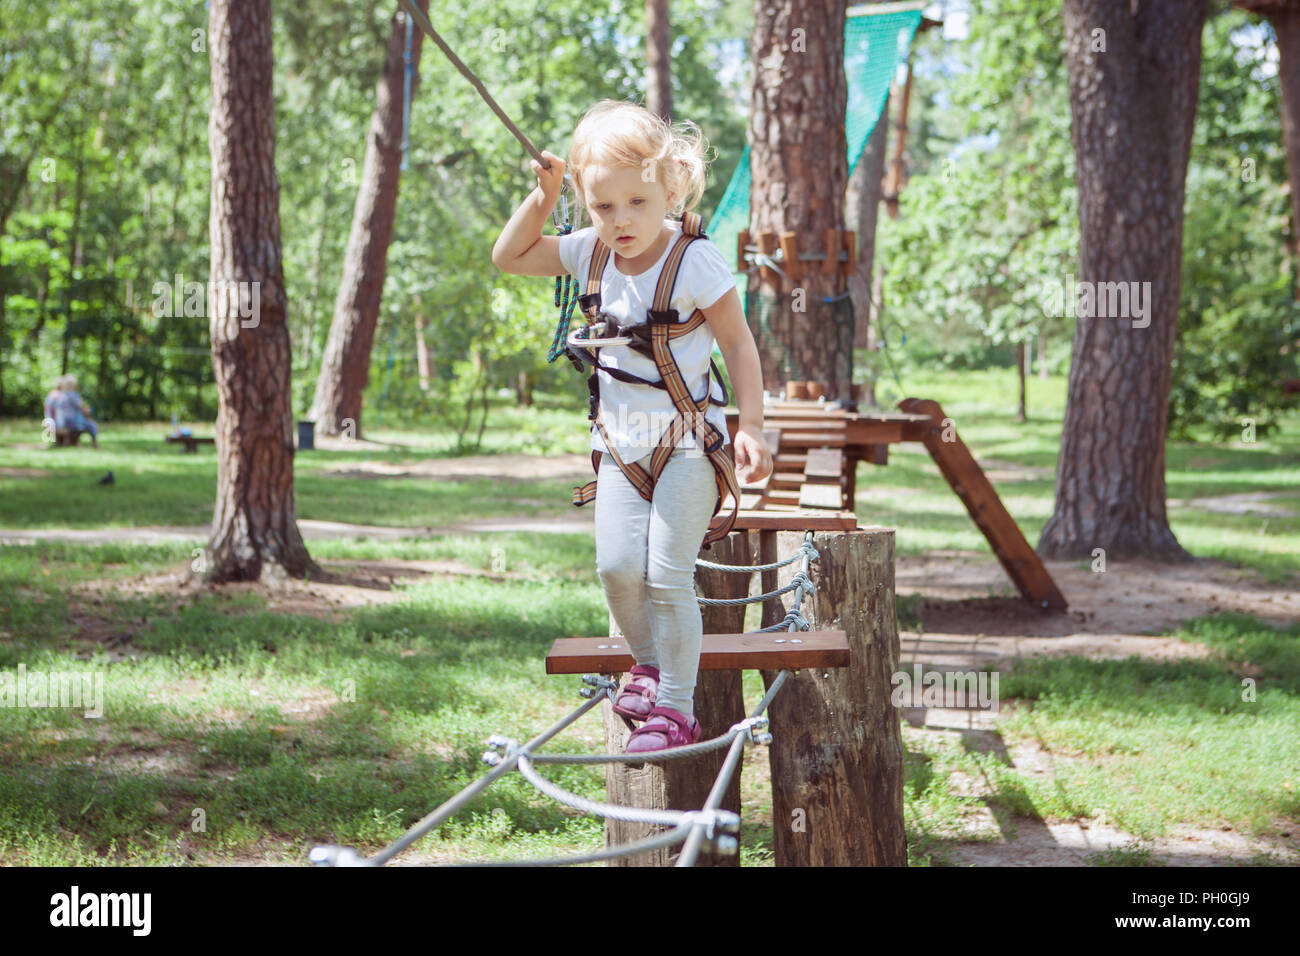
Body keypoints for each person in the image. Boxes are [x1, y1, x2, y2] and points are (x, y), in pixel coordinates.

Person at [493, 100, 773, 753]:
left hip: (687, 445)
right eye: (602, 206)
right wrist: (545, 195)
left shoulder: (694, 261)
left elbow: (739, 345)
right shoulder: (590, 252)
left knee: (666, 572)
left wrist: (752, 425)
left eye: (636, 203)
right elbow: (510, 256)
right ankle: (647, 664)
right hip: (619, 449)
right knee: (618, 567)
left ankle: (676, 708)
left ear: (670, 188)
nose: (620, 221)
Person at [51, 375, 99, 449]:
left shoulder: (62, 395)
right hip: (72, 422)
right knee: (92, 425)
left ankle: (73, 442)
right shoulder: (73, 395)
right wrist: (88, 410)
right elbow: (82, 408)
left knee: (83, 422)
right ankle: (95, 444)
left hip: (62, 422)